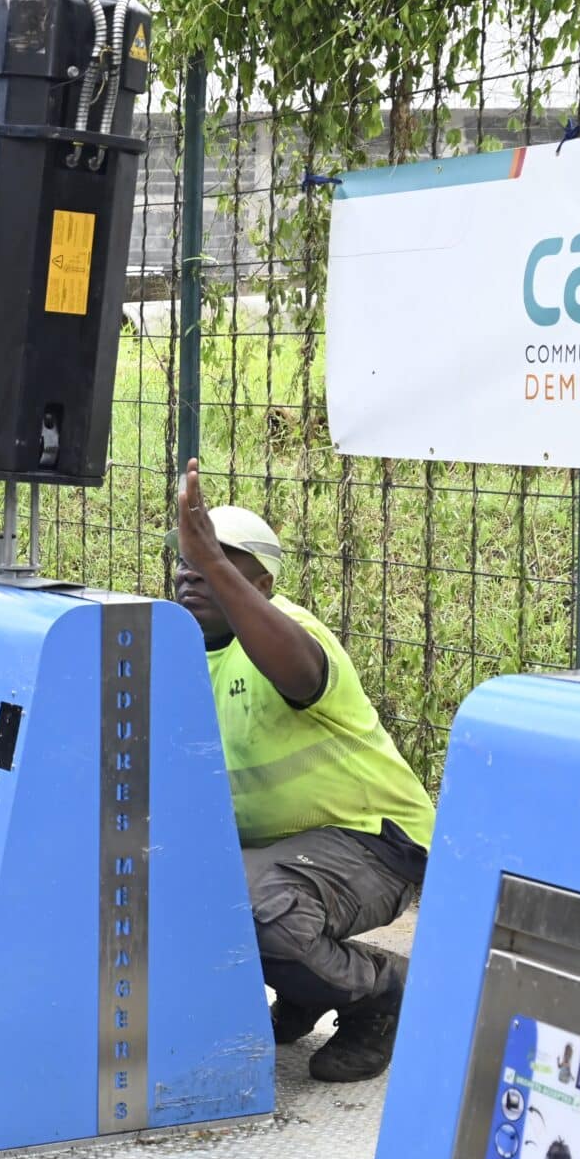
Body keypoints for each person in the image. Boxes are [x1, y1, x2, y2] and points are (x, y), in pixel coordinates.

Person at [168, 458, 435, 1083]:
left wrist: (212, 560)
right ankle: (308, 989)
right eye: (188, 561)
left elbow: (298, 672)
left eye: (222, 565)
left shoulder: (290, 635)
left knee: (257, 905)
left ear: (262, 586)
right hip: (280, 851)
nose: (193, 574)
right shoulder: (178, 654)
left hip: (375, 841)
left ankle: (378, 992)